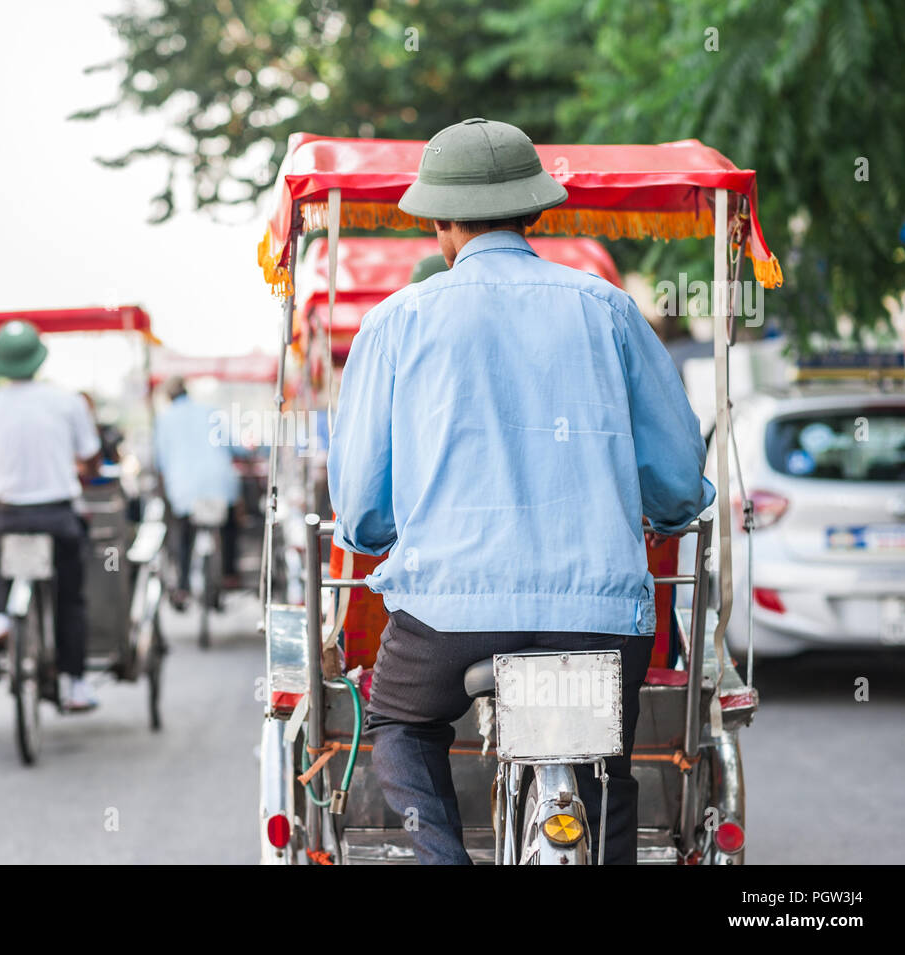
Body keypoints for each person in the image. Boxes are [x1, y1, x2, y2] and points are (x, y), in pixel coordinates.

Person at [328, 118, 714, 865]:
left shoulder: (399, 322)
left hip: (448, 617)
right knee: (605, 780)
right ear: (533, 210)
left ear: (440, 221)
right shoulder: (606, 308)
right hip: (600, 617)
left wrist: (370, 536)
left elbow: (364, 506)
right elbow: (674, 476)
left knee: (403, 729)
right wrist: (668, 511)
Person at [0, 321, 102, 712]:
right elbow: (91, 460)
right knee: (70, 597)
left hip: (8, 517)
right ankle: (75, 682)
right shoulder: (68, 402)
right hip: (59, 518)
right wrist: (83, 472)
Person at [152, 376, 241, 609]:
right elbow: (234, 445)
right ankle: (229, 573)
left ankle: (182, 587)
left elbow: (160, 461)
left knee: (182, 534)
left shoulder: (164, 419)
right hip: (219, 484)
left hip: (183, 489)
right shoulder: (210, 411)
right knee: (229, 523)